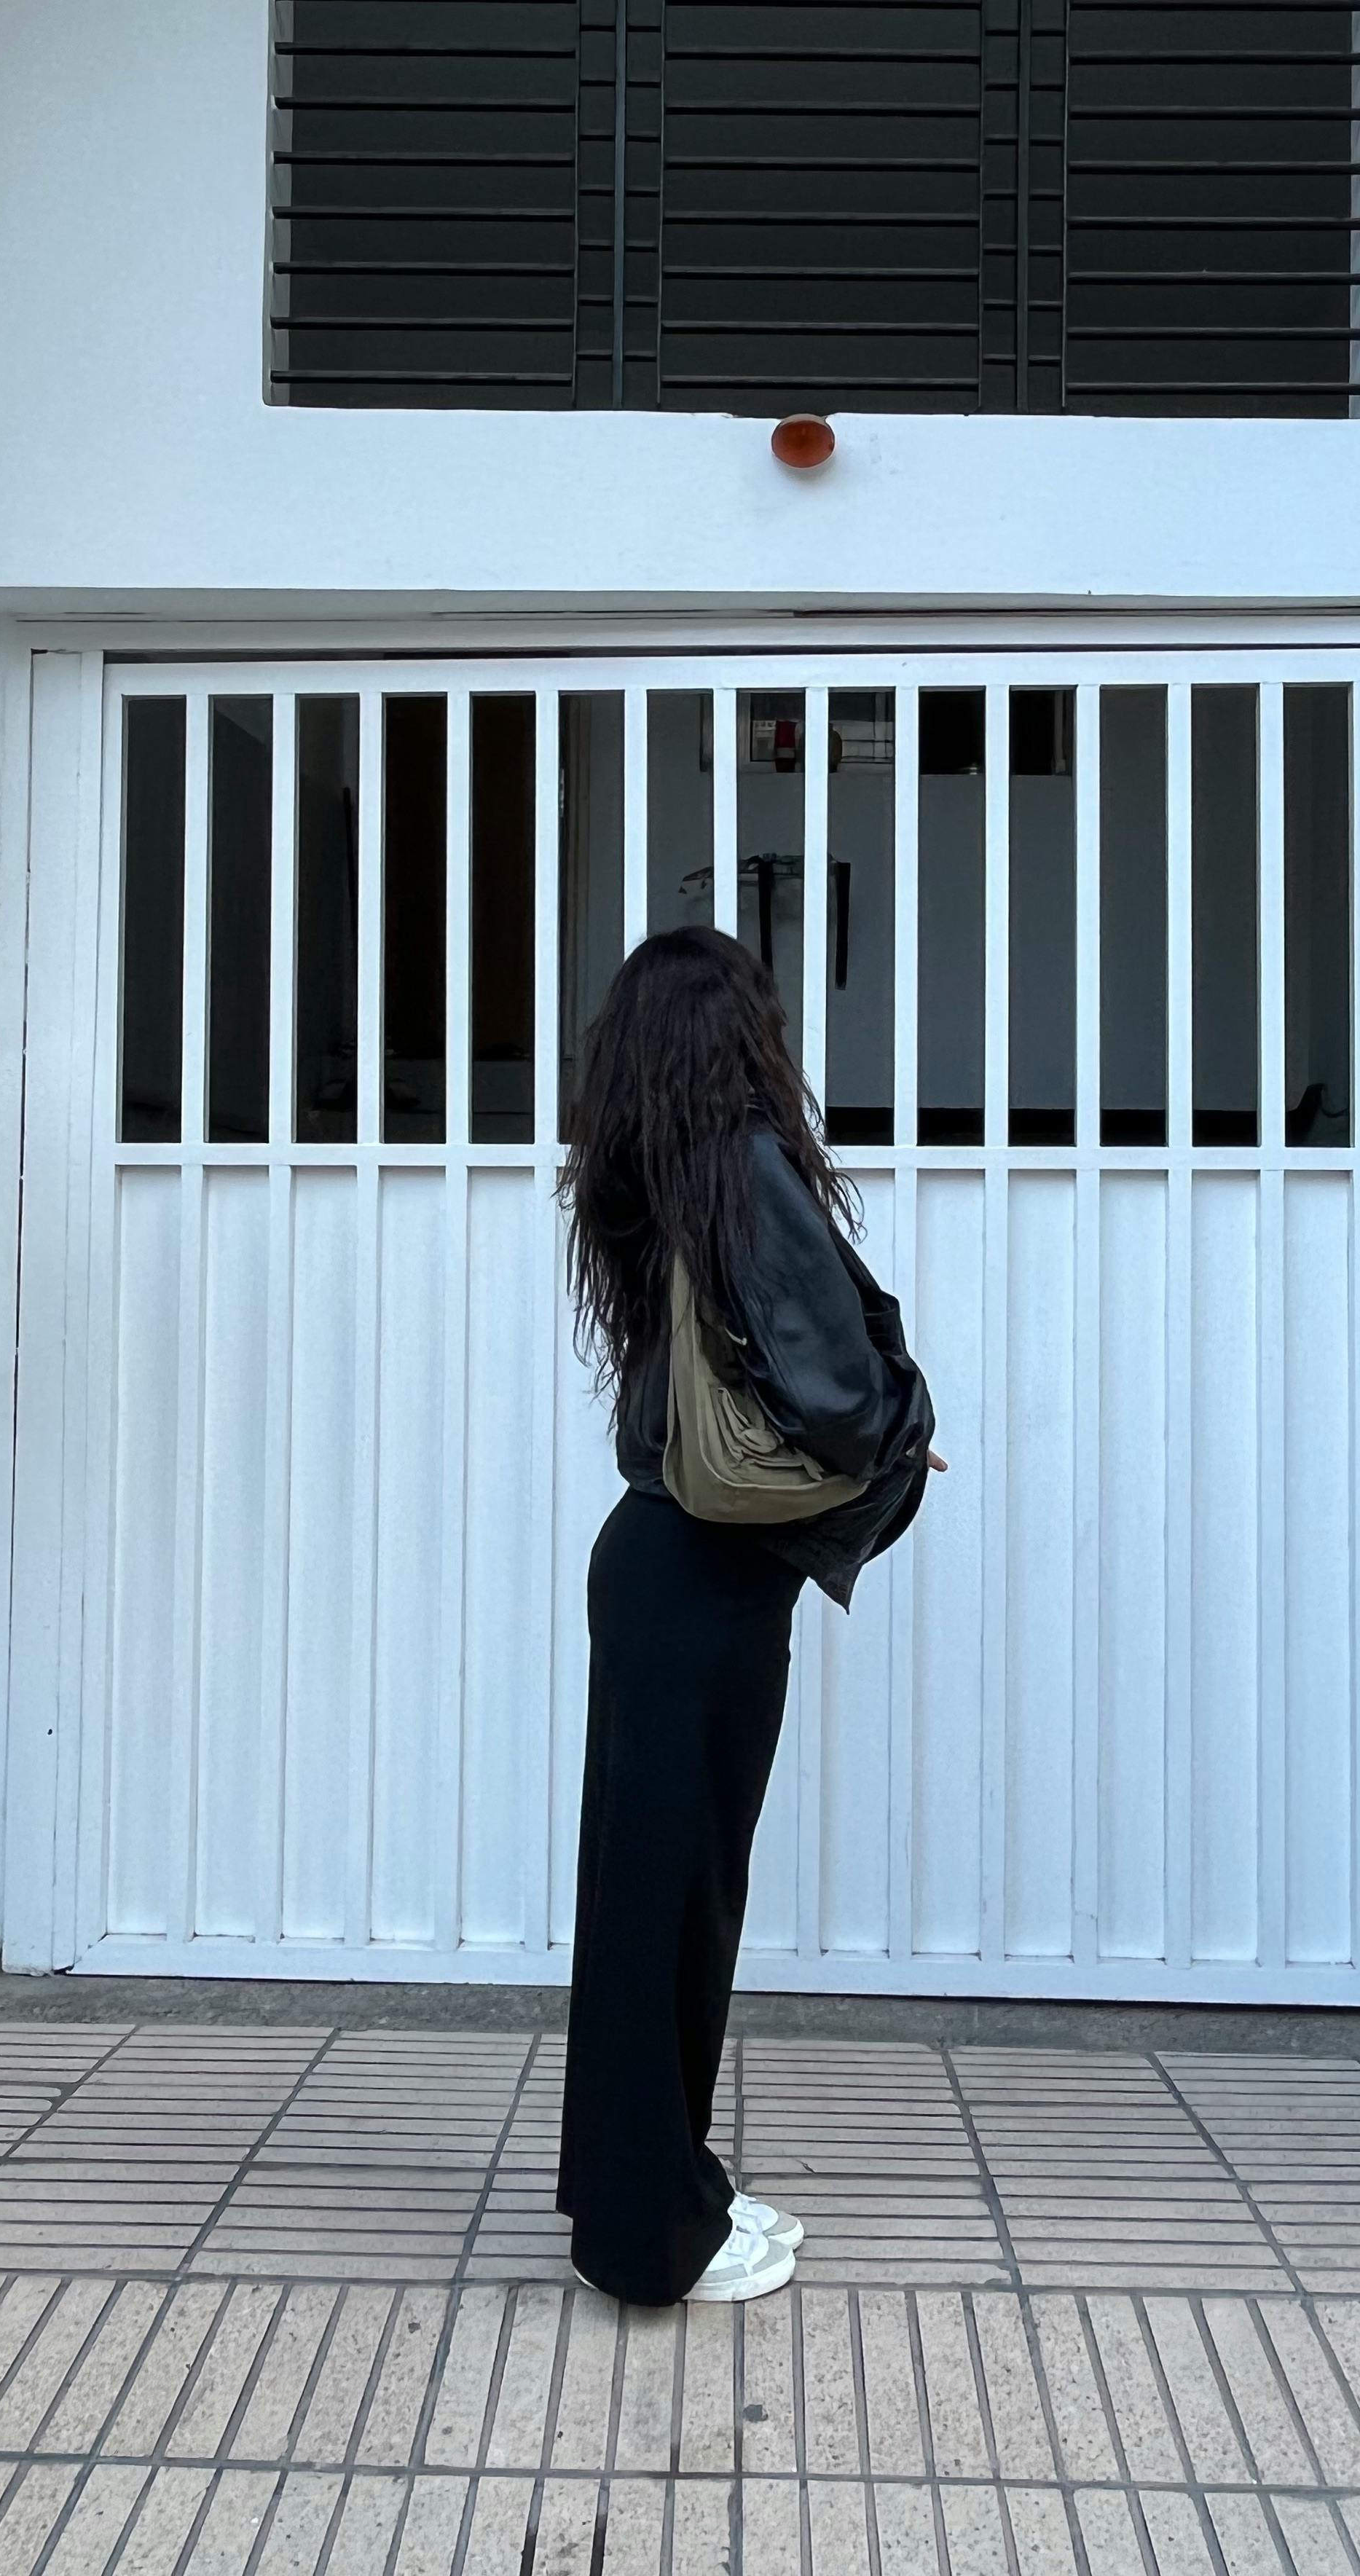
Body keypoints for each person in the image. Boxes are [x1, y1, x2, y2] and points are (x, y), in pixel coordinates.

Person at [555, 924, 940, 2306]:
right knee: (676, 1903)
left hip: (657, 1562)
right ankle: (651, 2239)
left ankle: (660, 2191)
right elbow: (837, 1383)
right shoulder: (743, 1168)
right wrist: (909, 1424)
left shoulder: (646, 1174)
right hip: (708, 1579)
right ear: (744, 1036)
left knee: (646, 1899)